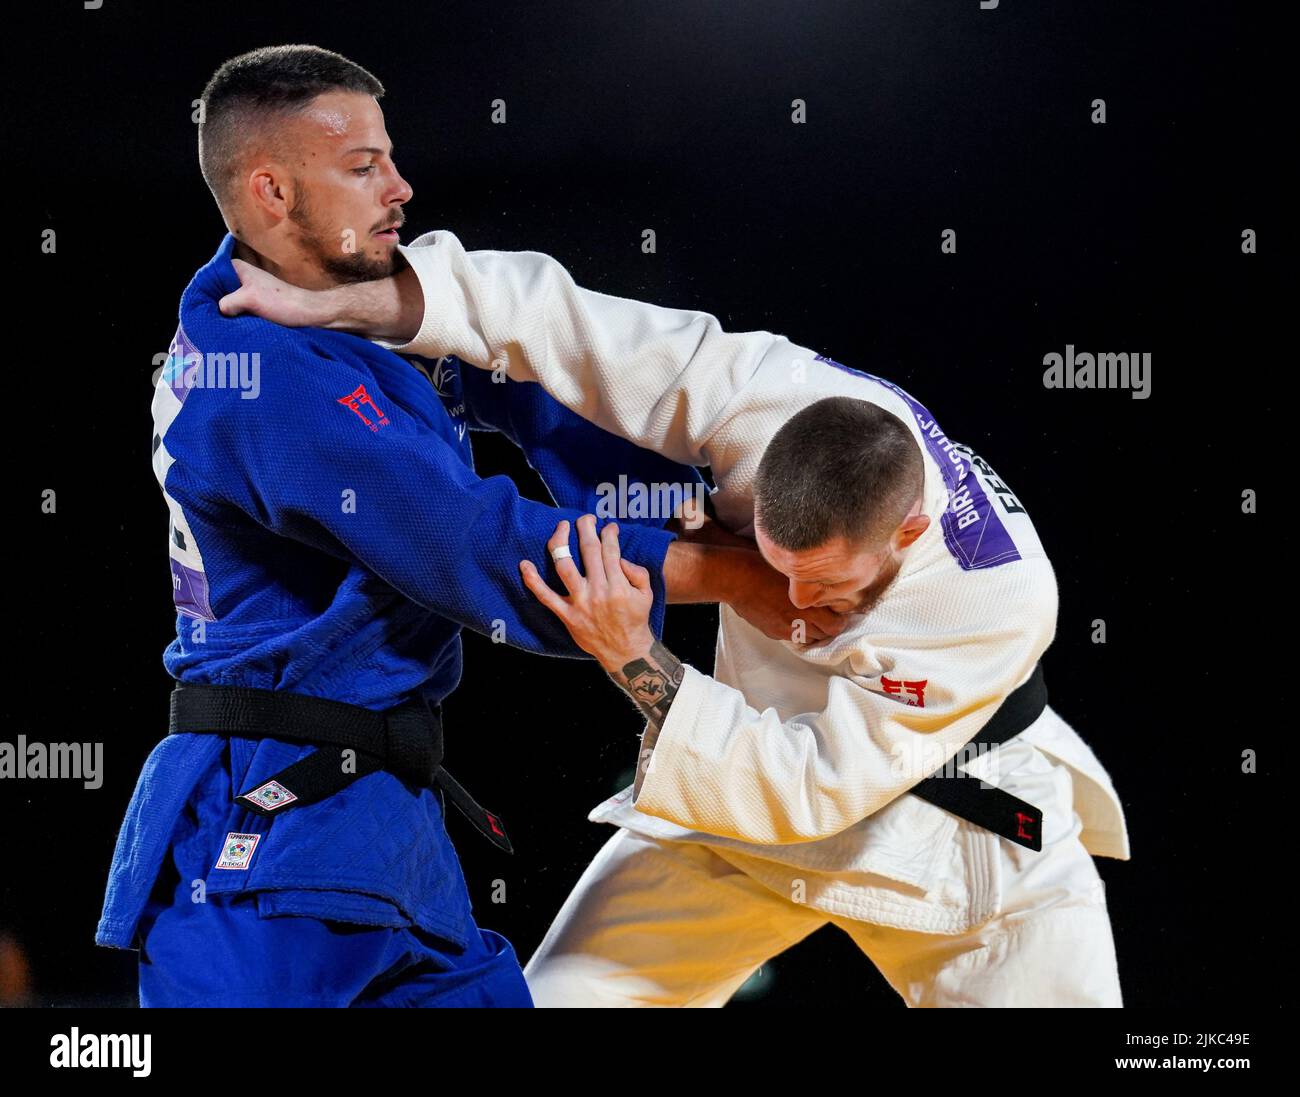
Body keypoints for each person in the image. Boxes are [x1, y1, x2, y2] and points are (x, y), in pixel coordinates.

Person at [224, 224, 1133, 1008]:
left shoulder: (992, 600)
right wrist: (367, 298)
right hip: (735, 806)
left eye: (831, 591)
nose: (798, 607)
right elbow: (569, 322)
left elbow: (808, 786)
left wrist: (633, 654)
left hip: (967, 837)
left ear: (910, 530)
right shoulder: (763, 392)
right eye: (779, 570)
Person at [96, 44, 822, 1009]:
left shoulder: (323, 306)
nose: (399, 186)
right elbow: (477, 546)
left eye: (389, 156)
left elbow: (511, 377)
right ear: (270, 191)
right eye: (361, 167)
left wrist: (674, 496)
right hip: (262, 846)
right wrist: (738, 573)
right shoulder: (266, 379)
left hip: (377, 828)